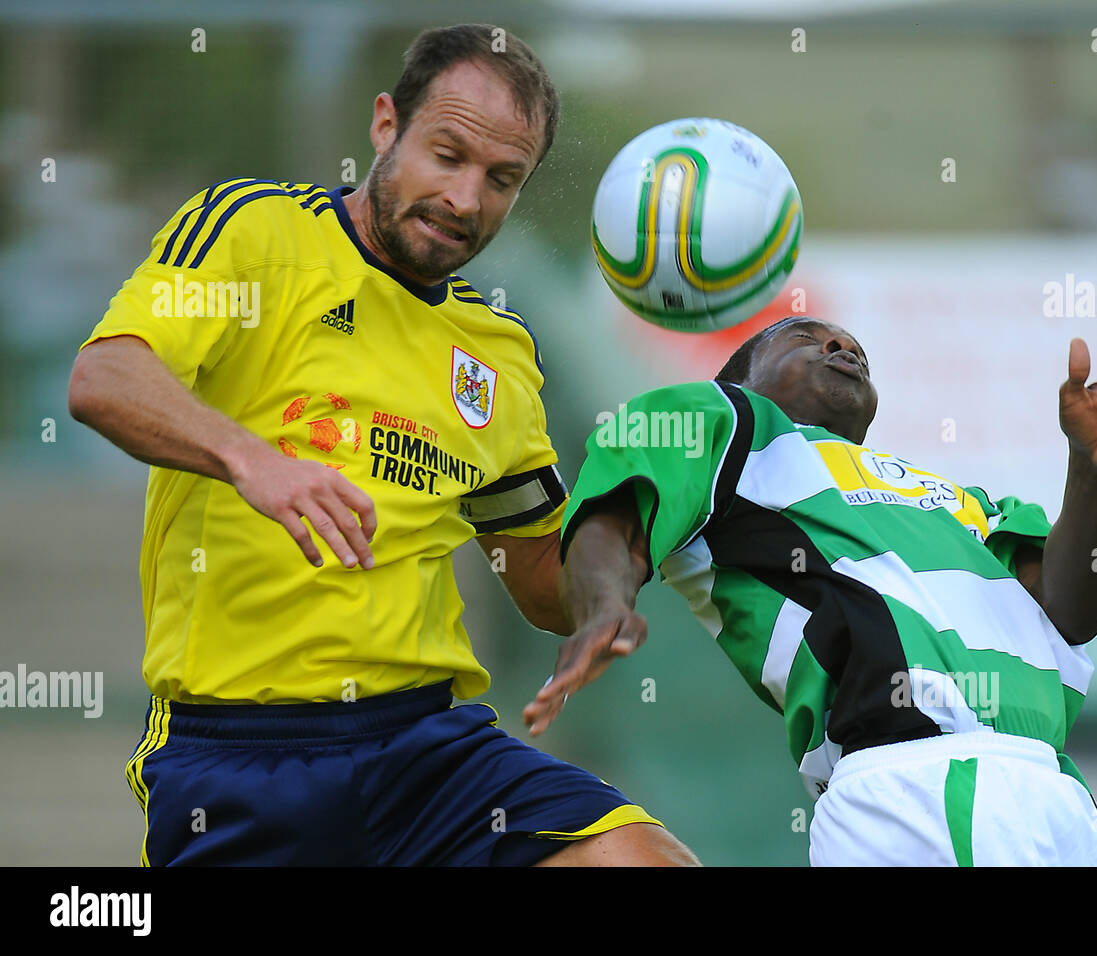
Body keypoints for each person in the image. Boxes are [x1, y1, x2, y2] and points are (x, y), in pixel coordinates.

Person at [67, 23, 696, 867]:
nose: (467, 199)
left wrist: (608, 593)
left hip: (429, 751)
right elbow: (104, 379)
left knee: (639, 860)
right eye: (447, 155)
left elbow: (542, 578)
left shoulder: (496, 351)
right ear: (385, 125)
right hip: (239, 757)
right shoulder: (257, 234)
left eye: (501, 179)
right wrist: (254, 462)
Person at [526, 307, 1097, 866]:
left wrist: (1095, 472)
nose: (842, 348)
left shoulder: (966, 502)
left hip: (1054, 792)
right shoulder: (729, 432)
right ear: (739, 380)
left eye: (851, 344)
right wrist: (604, 605)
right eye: (807, 339)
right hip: (915, 781)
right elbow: (617, 519)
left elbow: (1073, 610)